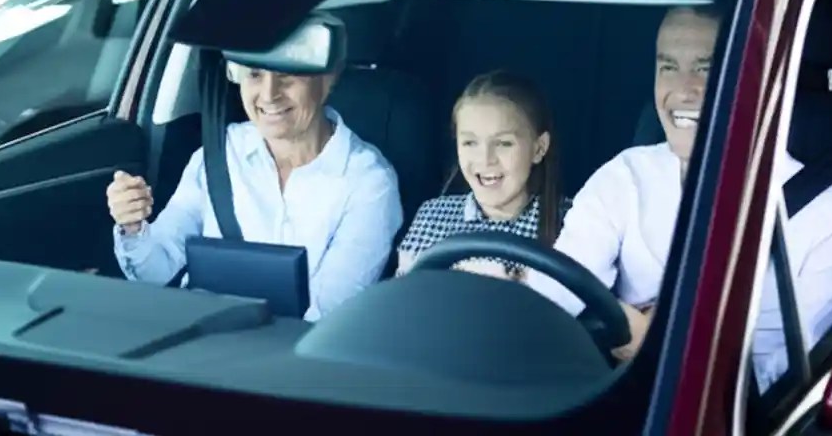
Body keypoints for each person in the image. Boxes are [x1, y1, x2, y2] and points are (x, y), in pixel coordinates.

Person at [524, 4, 832, 381]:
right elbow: (552, 298)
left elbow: (788, 392)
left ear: (757, 79)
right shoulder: (625, 176)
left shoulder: (831, 220)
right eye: (668, 67)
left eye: (706, 69)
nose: (683, 91)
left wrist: (661, 348)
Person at [106, 52, 404, 322]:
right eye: (254, 75)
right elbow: (156, 271)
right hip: (200, 341)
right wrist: (132, 226)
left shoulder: (369, 182)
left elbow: (327, 317)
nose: (269, 95)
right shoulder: (219, 154)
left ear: (327, 78)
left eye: (287, 74)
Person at [395, 70, 563, 280]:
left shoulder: (574, 224)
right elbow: (403, 302)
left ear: (539, 148)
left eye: (503, 143)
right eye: (470, 143)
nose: (485, 159)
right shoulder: (431, 216)